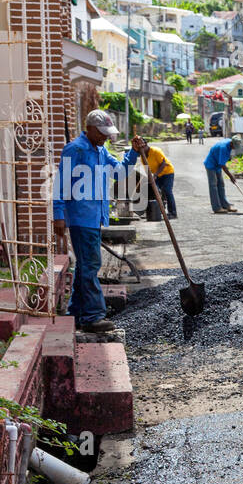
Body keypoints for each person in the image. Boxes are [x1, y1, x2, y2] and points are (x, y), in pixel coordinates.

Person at [53, 109, 129, 333]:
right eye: (103, 133)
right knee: (91, 266)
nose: (106, 136)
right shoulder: (75, 149)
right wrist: (58, 215)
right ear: (90, 129)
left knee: (85, 266)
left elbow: (120, 172)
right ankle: (93, 316)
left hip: (95, 218)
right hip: (80, 218)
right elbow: (61, 184)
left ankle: (76, 312)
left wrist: (134, 153)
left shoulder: (100, 151)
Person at [124, 135, 177, 219]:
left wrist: (155, 175)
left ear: (146, 144)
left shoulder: (156, 151)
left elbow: (164, 164)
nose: (142, 148)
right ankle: (158, 210)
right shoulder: (142, 157)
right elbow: (147, 170)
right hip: (157, 175)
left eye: (143, 146)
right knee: (156, 192)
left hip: (167, 172)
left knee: (167, 190)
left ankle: (173, 213)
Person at [203, 136, 243, 214]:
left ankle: (225, 206)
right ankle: (217, 208)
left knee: (221, 184)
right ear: (232, 143)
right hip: (211, 165)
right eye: (234, 146)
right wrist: (231, 176)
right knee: (213, 186)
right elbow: (222, 165)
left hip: (217, 165)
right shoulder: (224, 148)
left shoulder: (229, 143)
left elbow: (222, 162)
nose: (235, 148)